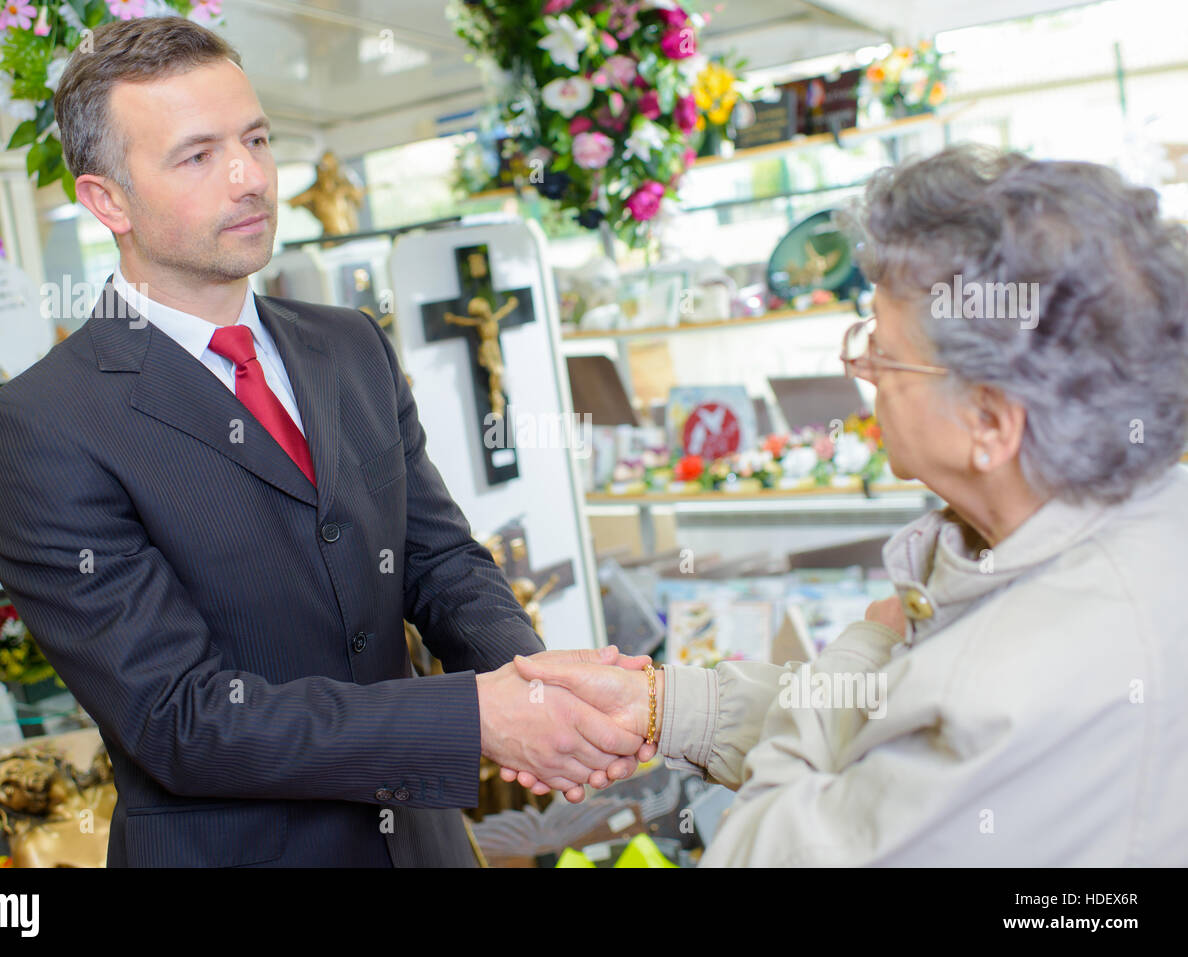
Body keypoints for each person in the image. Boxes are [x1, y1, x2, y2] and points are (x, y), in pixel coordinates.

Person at [0, 16, 648, 867]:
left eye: (255, 138)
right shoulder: (37, 428)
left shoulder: (349, 342)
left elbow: (439, 561)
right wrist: (479, 717)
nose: (250, 178)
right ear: (106, 199)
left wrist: (545, 690)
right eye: (198, 155)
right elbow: (182, 718)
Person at [508, 144, 1188, 865]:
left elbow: (761, 848)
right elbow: (879, 739)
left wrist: (865, 645)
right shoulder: (1128, 522)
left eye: (884, 353)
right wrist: (666, 708)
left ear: (990, 420)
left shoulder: (1006, 686)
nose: (858, 371)